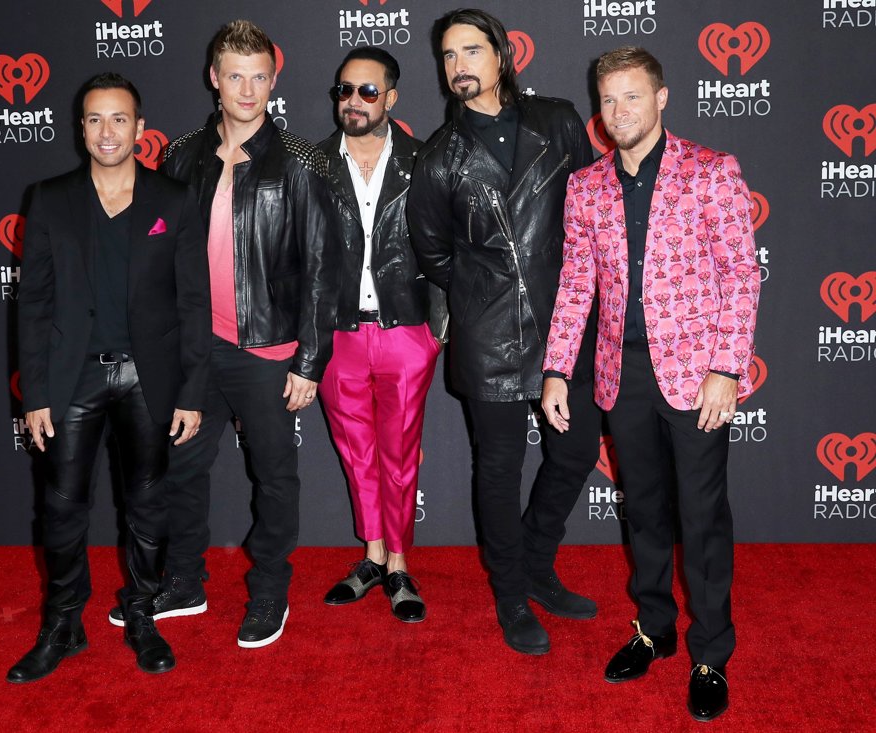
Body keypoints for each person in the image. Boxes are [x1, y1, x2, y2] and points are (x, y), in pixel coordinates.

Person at [541, 46, 760, 722]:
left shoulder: (711, 171)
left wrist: (727, 367)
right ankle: (654, 628)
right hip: (620, 374)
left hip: (698, 374)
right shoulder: (586, 187)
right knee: (644, 514)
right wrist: (555, 366)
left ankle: (710, 653)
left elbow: (741, 276)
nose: (619, 112)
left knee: (701, 518)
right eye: (608, 100)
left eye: (632, 96)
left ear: (661, 98)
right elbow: (577, 285)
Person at [107, 19, 338, 649]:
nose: (247, 89)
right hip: (193, 348)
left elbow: (323, 269)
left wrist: (310, 361)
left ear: (273, 79)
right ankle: (184, 580)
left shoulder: (301, 161)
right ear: (214, 78)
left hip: (267, 349)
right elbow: (158, 259)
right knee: (181, 468)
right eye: (235, 76)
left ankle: (269, 590)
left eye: (259, 77)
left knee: (274, 475)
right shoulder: (181, 155)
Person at [407, 8, 601, 655]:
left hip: (567, 323)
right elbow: (432, 251)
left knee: (574, 455)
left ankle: (537, 562)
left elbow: (593, 205)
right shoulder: (438, 157)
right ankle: (511, 592)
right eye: (447, 55)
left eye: (470, 50)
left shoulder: (559, 121)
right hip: (489, 331)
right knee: (499, 469)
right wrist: (480, 288)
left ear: (501, 55)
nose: (458, 64)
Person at [8, 72, 211, 682]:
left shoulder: (173, 200)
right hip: (72, 381)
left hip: (149, 381)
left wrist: (192, 391)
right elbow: (34, 303)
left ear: (141, 128)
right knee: (62, 507)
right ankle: (63, 623)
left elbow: (193, 304)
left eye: (119, 118)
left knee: (148, 506)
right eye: (95, 119)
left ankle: (143, 615)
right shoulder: (48, 197)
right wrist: (35, 392)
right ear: (80, 128)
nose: (107, 131)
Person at [316, 47, 447, 623]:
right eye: (345, 90)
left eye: (368, 92)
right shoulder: (312, 163)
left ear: (391, 98)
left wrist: (436, 330)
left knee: (399, 453)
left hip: (405, 329)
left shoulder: (424, 161)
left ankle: (398, 563)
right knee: (356, 453)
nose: (354, 102)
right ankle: (371, 556)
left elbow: (450, 248)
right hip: (337, 332)